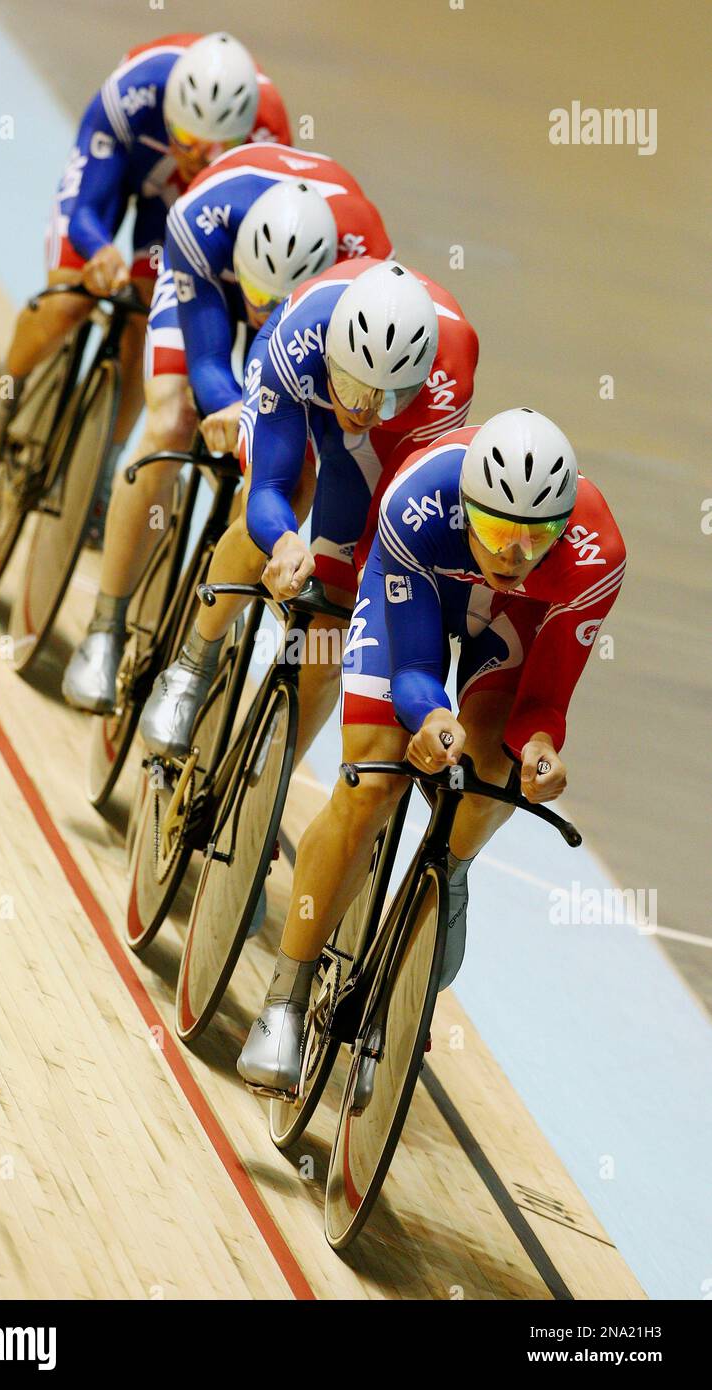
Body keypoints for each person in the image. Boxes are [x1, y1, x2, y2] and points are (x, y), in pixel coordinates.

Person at [237, 407, 626, 1092]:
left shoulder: (594, 556)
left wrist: (539, 748)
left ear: (562, 528)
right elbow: (414, 667)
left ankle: (435, 898)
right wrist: (429, 717)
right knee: (371, 785)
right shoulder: (418, 500)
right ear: (469, 507)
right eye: (501, 531)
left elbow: (543, 701)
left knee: (485, 788)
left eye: (536, 538)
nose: (514, 555)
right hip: (418, 593)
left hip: (508, 629)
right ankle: (284, 997)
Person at [63, 143, 393, 712]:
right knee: (171, 421)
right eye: (257, 295)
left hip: (318, 336)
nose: (261, 311)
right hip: (208, 278)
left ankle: (216, 616)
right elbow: (213, 361)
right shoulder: (201, 222)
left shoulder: (365, 268)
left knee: (292, 475)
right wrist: (224, 402)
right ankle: (105, 626)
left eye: (277, 302)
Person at [138, 257, 478, 774]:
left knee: (339, 607)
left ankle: (268, 773)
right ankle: (192, 662)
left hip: (393, 440)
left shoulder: (447, 381)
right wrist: (285, 543)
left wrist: (361, 575)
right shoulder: (302, 337)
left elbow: (397, 520)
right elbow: (269, 488)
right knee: (286, 498)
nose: (363, 409)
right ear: (333, 354)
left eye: (383, 397)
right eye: (354, 386)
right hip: (303, 391)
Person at [0, 29, 290, 545]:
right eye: (185, 142)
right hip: (123, 167)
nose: (196, 157)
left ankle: (101, 466)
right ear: (172, 116)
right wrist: (100, 250)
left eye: (212, 150)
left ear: (240, 136)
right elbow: (87, 207)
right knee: (69, 298)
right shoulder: (137, 91)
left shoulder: (269, 135)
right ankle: (8, 386)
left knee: (144, 320)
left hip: (182, 212)